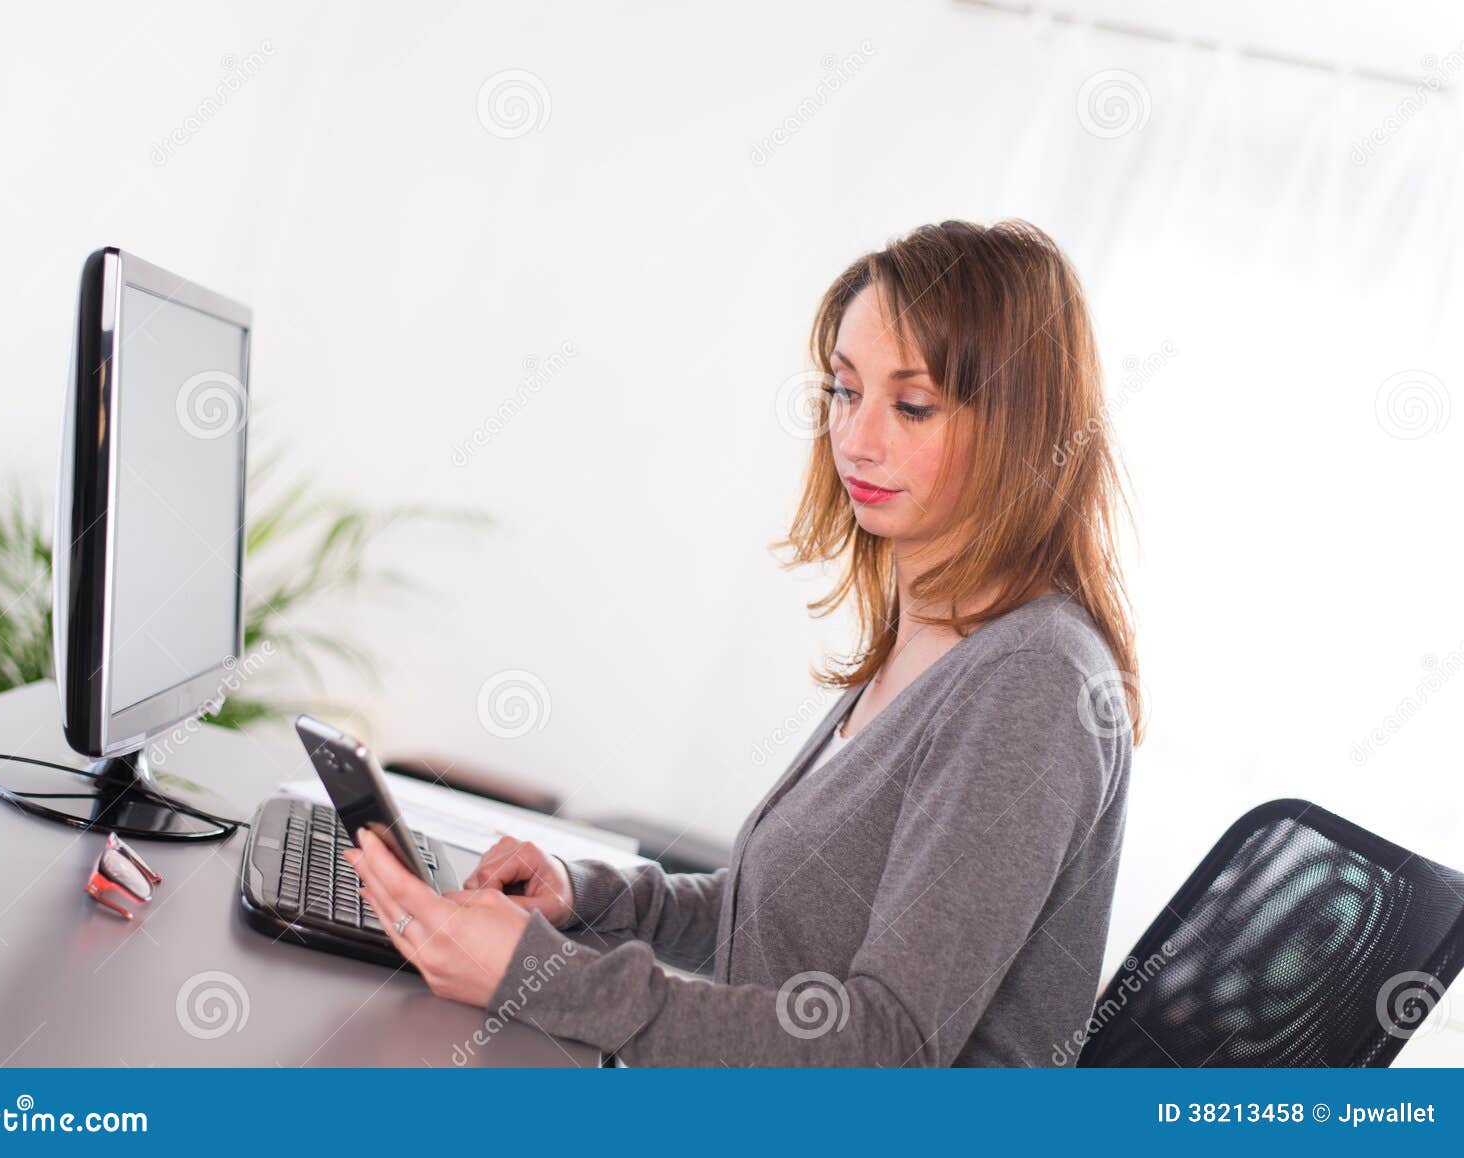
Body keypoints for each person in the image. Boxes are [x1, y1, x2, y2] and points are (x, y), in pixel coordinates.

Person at [346, 219, 1141, 1066]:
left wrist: (545, 980)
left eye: (912, 405)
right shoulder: (932, 639)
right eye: (844, 391)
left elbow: (884, 1050)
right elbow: (781, 930)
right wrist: (586, 899)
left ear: (1020, 430)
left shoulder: (1034, 685)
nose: (858, 438)